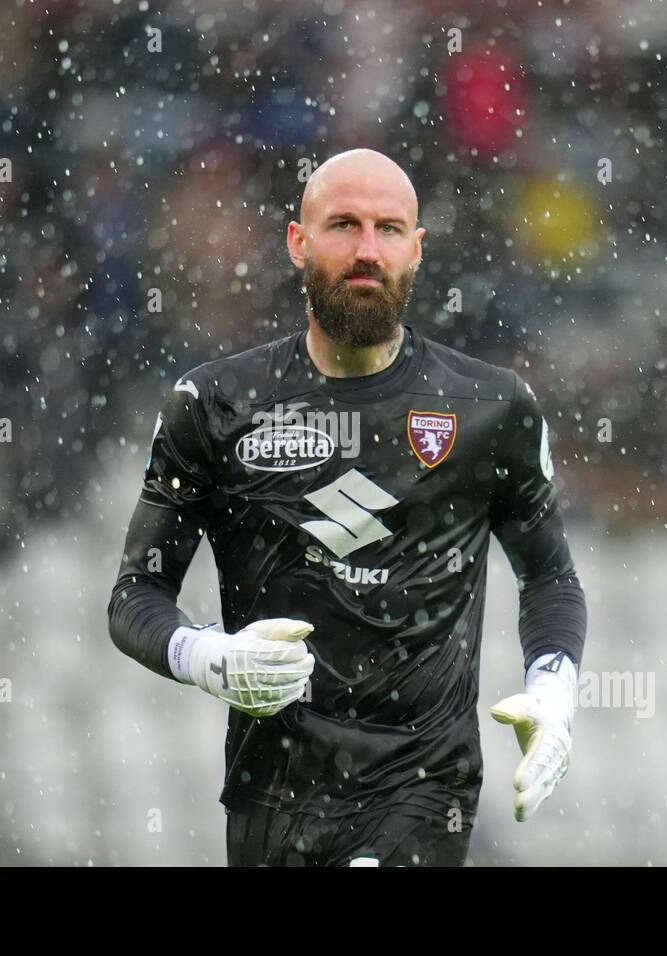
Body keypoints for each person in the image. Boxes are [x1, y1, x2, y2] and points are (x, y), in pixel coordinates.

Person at [108, 148, 587, 866]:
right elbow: (135, 595)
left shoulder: (490, 409)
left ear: (417, 250)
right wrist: (210, 657)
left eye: (389, 229)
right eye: (344, 226)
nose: (368, 250)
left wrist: (554, 690)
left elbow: (550, 575)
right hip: (273, 794)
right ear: (298, 242)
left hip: (425, 786)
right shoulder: (214, 407)